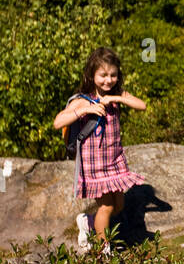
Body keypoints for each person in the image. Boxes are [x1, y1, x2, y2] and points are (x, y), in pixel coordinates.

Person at [52, 47, 147, 253]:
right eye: (103, 75)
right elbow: (58, 122)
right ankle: (104, 249)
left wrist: (117, 98)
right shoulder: (83, 99)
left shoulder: (117, 95)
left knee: (119, 205)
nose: (108, 80)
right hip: (94, 164)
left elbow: (142, 105)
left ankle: (87, 222)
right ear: (91, 75)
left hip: (115, 160)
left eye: (113, 75)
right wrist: (84, 110)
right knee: (107, 207)